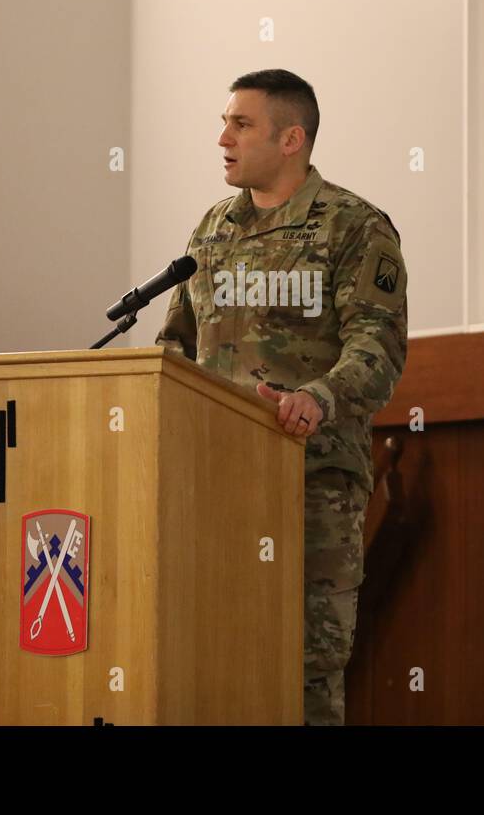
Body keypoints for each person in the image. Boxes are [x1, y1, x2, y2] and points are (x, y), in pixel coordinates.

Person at [154, 68, 408, 725]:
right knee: (211, 657)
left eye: (241, 124)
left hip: (310, 482)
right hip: (214, 485)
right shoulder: (214, 231)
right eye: (224, 122)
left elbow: (377, 347)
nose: (222, 138)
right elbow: (176, 347)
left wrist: (318, 398)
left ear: (291, 138)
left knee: (304, 668)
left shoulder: (353, 227)